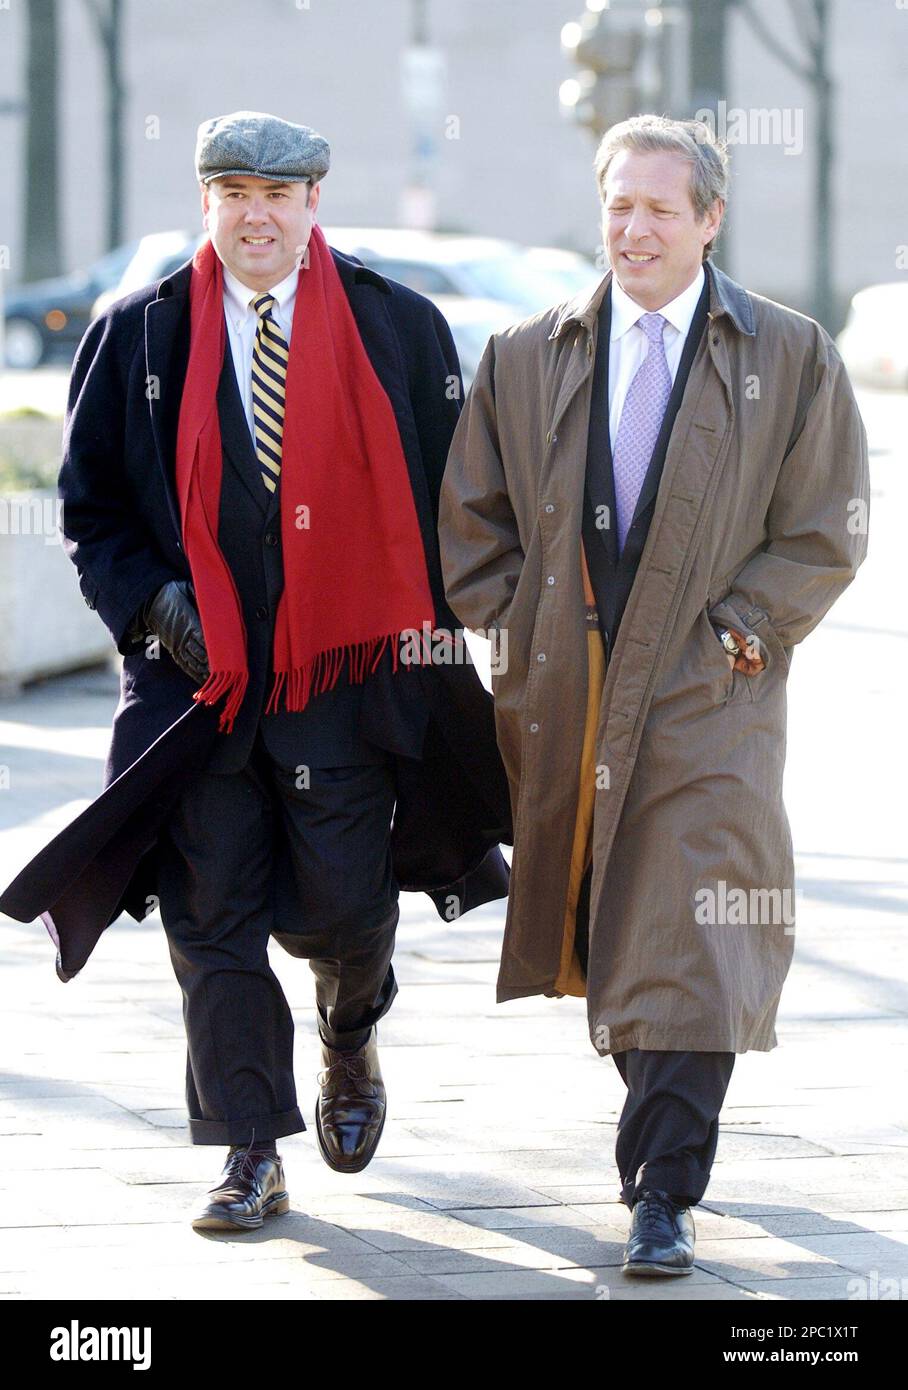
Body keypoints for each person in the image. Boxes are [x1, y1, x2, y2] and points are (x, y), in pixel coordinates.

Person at [46, 109, 509, 1232]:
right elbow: (92, 511)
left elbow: (451, 514)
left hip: (344, 689)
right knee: (212, 924)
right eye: (233, 193)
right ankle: (248, 1151)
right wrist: (155, 605)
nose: (256, 214)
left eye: (278, 194)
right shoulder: (138, 336)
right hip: (195, 692)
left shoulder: (400, 329)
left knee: (342, 914)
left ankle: (349, 1036)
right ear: (205, 202)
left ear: (314, 203)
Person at [438, 114, 869, 1276]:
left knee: (691, 934)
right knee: (607, 923)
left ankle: (661, 1193)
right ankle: (662, 1149)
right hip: (566, 693)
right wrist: (510, 631)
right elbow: (470, 519)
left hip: (707, 694)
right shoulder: (528, 351)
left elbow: (826, 528)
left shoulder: (787, 354)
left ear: (708, 220)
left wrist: (742, 630)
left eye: (658, 210)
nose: (632, 230)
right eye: (617, 206)